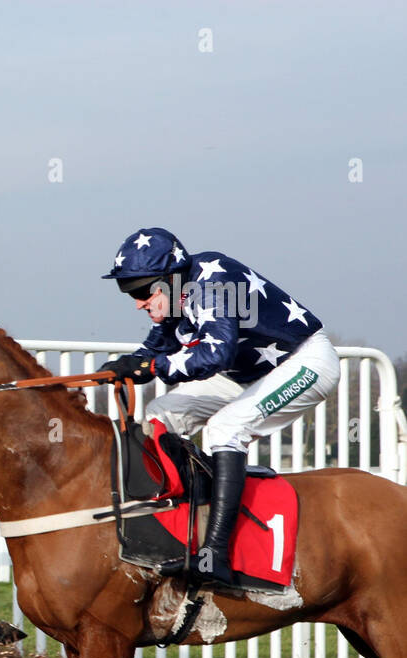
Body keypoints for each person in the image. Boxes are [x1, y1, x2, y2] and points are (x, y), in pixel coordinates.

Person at [99, 227, 340, 586]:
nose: (138, 303)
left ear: (170, 278)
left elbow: (215, 353)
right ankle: (179, 524)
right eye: (129, 292)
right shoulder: (176, 294)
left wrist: (150, 366)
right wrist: (124, 366)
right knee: (159, 414)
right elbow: (154, 351)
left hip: (304, 362)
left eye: (142, 291)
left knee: (225, 428)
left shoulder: (214, 281)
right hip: (243, 375)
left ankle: (216, 554)